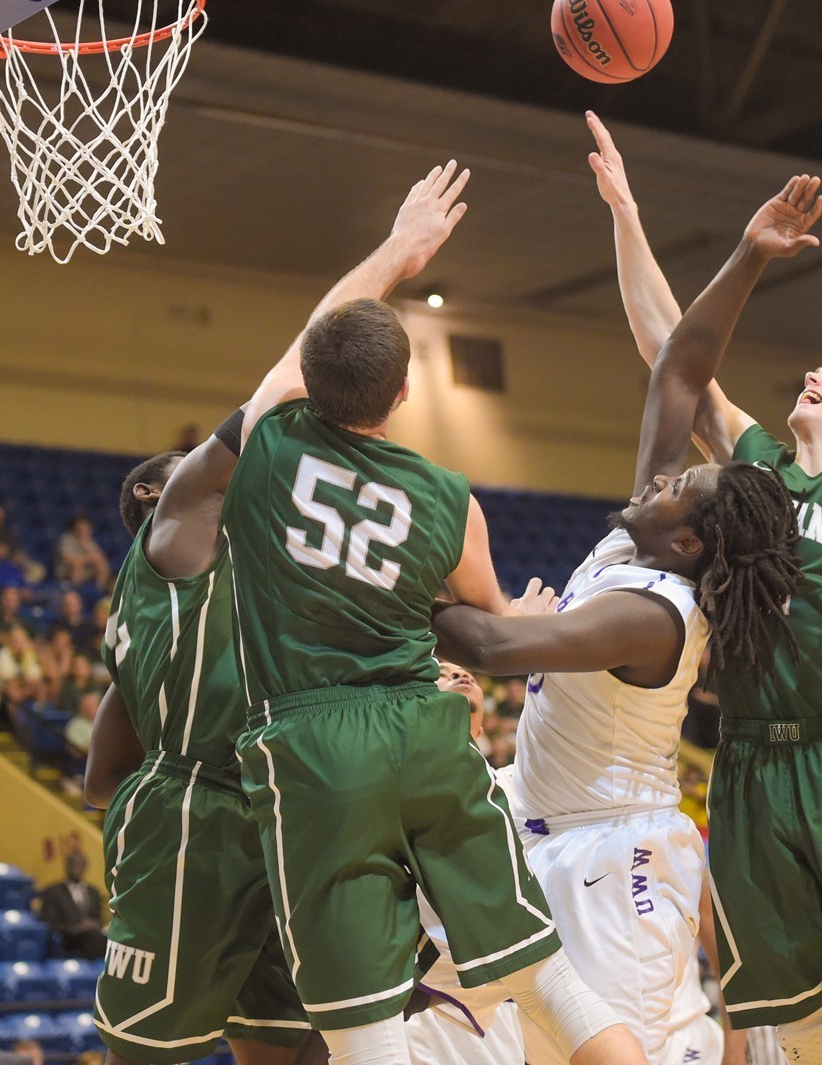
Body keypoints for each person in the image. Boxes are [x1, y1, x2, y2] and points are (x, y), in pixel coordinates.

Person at [221, 151, 661, 1063]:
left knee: (366, 1032)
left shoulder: (265, 443)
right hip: (427, 729)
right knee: (545, 976)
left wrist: (397, 249)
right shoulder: (452, 498)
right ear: (407, 392)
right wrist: (531, 618)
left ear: (308, 374)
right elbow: (489, 620)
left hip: (315, 746)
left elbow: (311, 342)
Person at [81, 165, 474, 1065]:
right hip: (200, 818)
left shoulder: (248, 557)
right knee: (149, 1052)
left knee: (291, 1046)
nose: (227, 451)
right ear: (157, 491)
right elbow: (291, 377)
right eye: (194, 457)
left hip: (290, 800)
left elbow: (101, 771)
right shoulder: (180, 537)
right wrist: (396, 256)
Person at [585, 109, 822, 1065]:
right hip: (749, 760)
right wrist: (627, 214)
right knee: (794, 1022)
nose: (812, 373)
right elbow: (672, 349)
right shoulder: (754, 474)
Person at [428, 170, 818, 1065]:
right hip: (541, 824)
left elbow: (489, 642)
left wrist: (368, 576)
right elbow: (681, 366)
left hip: (618, 860)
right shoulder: (640, 541)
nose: (661, 477)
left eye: (680, 484)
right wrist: (749, 254)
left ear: (689, 544)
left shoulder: (655, 611)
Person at [36, 850, 106, 960]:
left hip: (92, 937)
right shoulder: (53, 891)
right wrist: (75, 928)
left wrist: (93, 924)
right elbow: (48, 922)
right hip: (67, 939)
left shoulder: (94, 892)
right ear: (67, 865)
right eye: (73, 863)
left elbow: (98, 918)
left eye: (81, 864)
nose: (77, 868)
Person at [55, 515, 110, 585]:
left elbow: (100, 557)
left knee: (102, 564)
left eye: (86, 527)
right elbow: (68, 559)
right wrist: (88, 559)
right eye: (81, 526)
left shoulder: (88, 541)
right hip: (66, 570)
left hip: (86, 569)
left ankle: (99, 589)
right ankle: (75, 588)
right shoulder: (66, 539)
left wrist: (84, 542)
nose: (83, 529)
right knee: (77, 563)